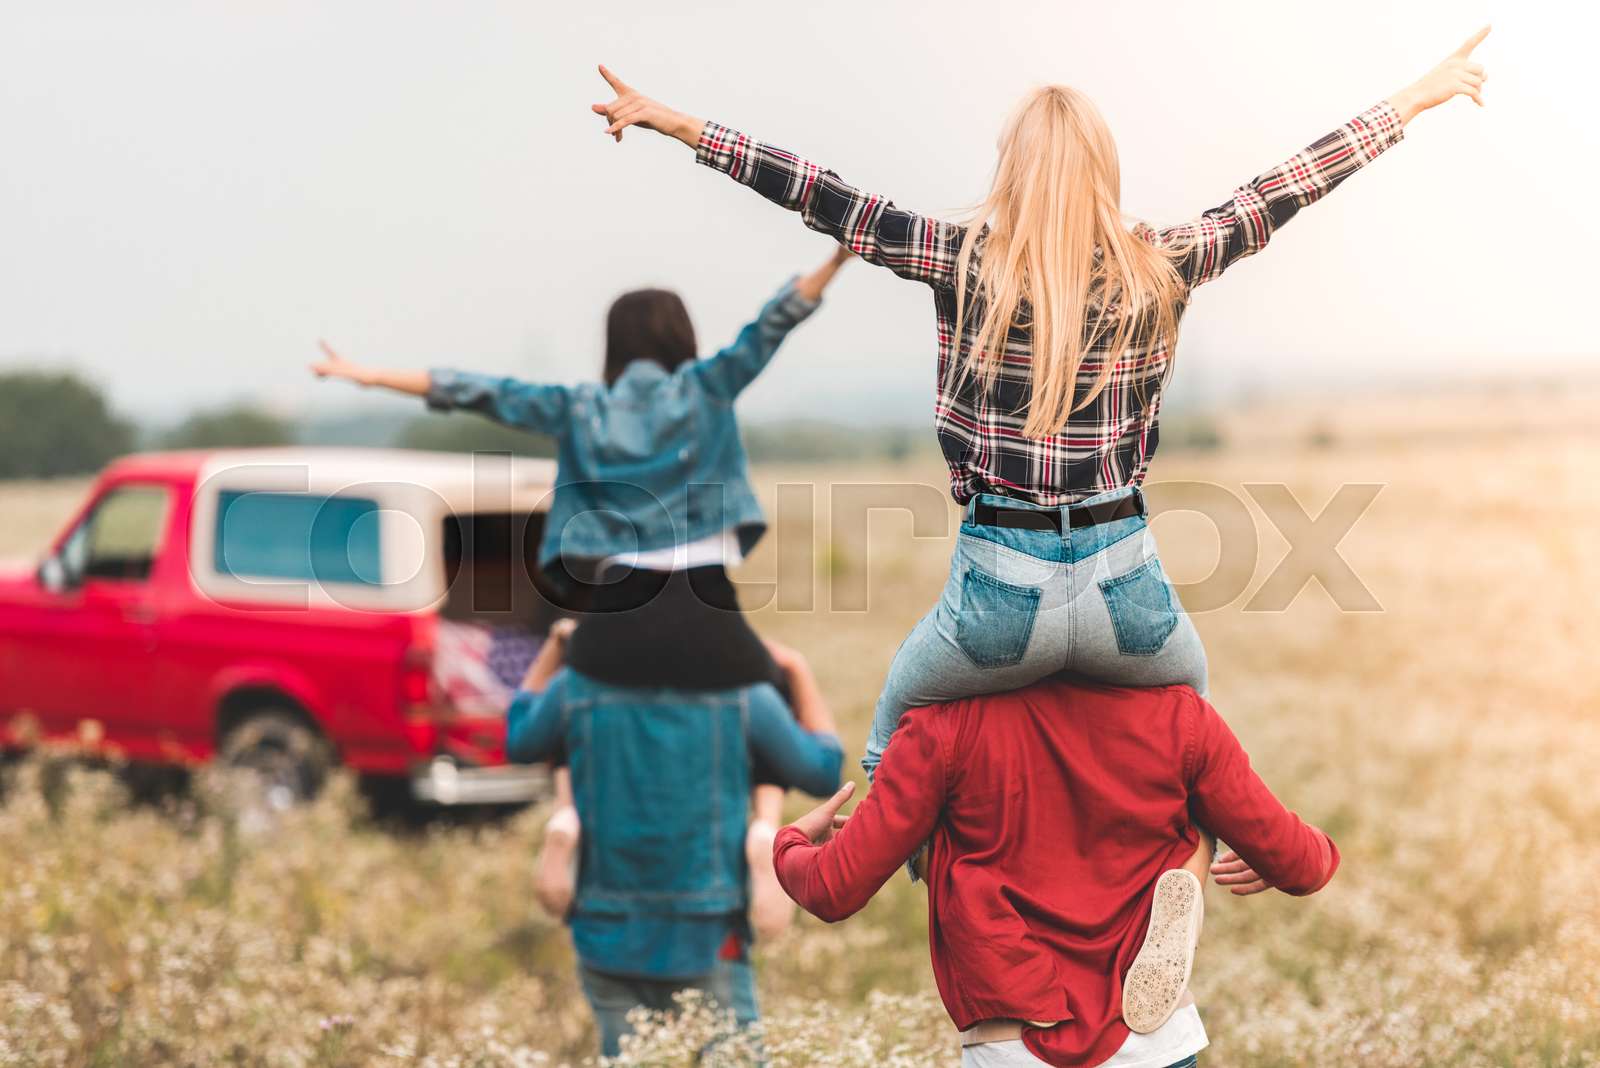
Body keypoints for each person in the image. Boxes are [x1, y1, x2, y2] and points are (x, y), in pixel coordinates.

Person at [310, 245, 854, 938]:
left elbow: (480, 390)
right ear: (680, 338)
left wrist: (369, 375)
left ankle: (567, 812)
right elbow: (772, 324)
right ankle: (764, 824)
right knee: (787, 723)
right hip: (706, 612)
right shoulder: (707, 387)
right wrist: (838, 256)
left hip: (613, 615)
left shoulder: (578, 407)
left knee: (564, 712)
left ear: (614, 345)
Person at [773, 679, 1337, 1066]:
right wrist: (1285, 854)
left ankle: (937, 857)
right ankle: (1194, 855)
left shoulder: (937, 726)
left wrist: (790, 842)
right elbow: (1304, 865)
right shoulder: (1181, 713)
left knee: (947, 849)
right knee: (1191, 829)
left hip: (1013, 1040)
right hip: (1155, 1041)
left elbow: (832, 889)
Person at [506, 620, 844, 1058]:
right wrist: (796, 668)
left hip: (605, 926)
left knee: (629, 1058)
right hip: (708, 928)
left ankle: (564, 821)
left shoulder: (577, 686)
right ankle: (764, 826)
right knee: (734, 1058)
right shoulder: (740, 692)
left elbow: (519, 739)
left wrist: (555, 647)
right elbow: (822, 768)